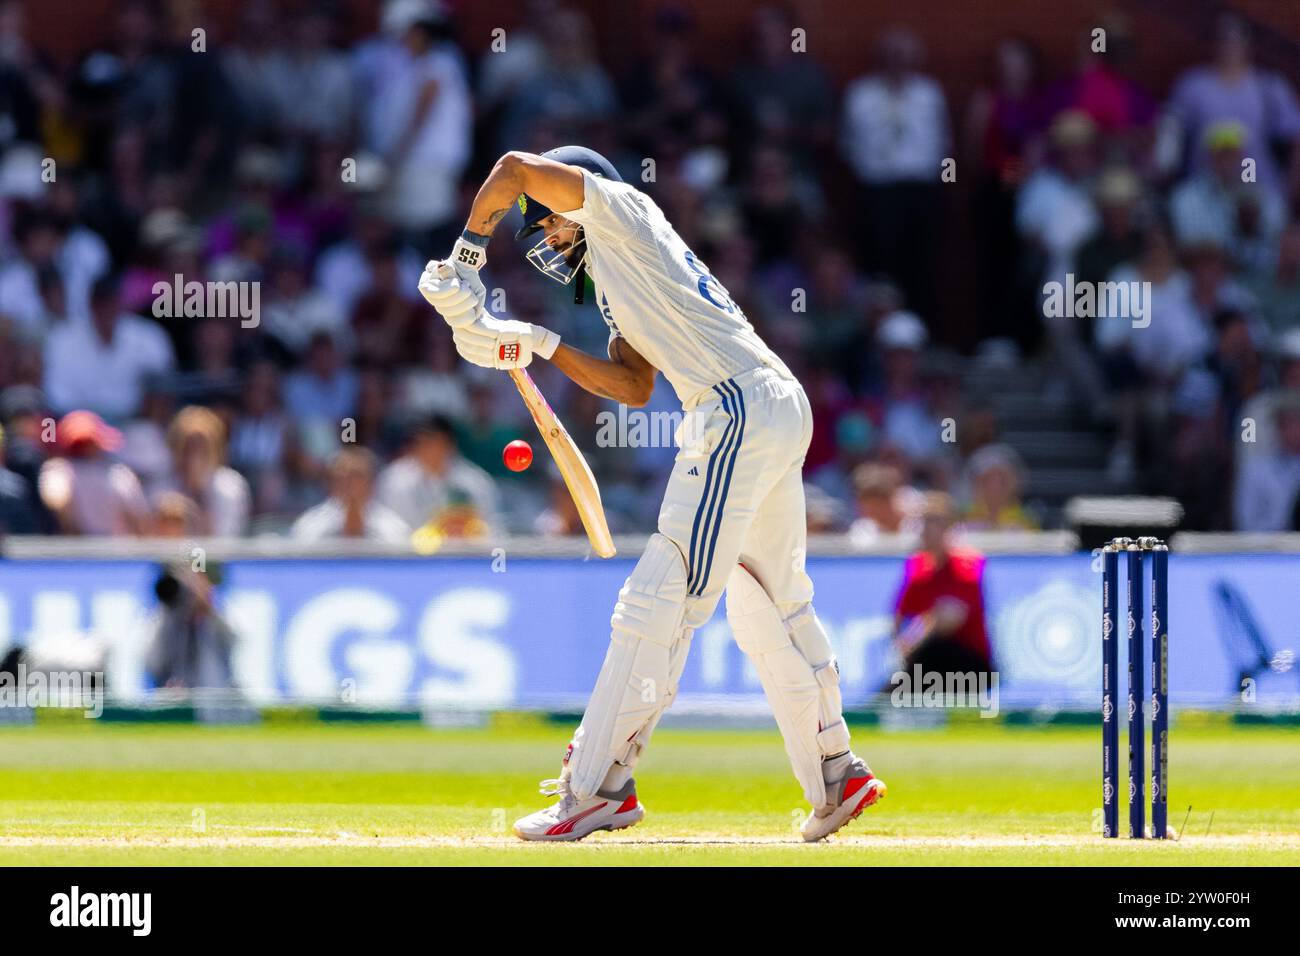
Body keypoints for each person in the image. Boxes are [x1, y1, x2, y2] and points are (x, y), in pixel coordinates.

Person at [418, 145, 884, 842]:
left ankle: (598, 788)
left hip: (735, 409)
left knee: (657, 599)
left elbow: (513, 168)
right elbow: (632, 385)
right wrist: (532, 342)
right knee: (767, 605)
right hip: (769, 405)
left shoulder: (621, 211)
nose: (543, 238)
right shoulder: (613, 279)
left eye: (545, 224)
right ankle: (835, 770)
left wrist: (464, 261)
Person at [891, 493, 994, 680]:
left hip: (969, 665)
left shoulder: (967, 564)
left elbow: (949, 620)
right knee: (890, 693)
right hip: (929, 662)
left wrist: (911, 641)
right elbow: (899, 617)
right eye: (922, 522)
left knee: (932, 652)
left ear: (948, 527)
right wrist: (901, 645)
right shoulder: (917, 568)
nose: (925, 530)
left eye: (933, 522)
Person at [291, 446, 410, 543]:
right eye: (341, 477)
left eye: (357, 476)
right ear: (331, 483)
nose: (349, 483)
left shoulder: (393, 529)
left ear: (372, 482)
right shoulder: (310, 527)